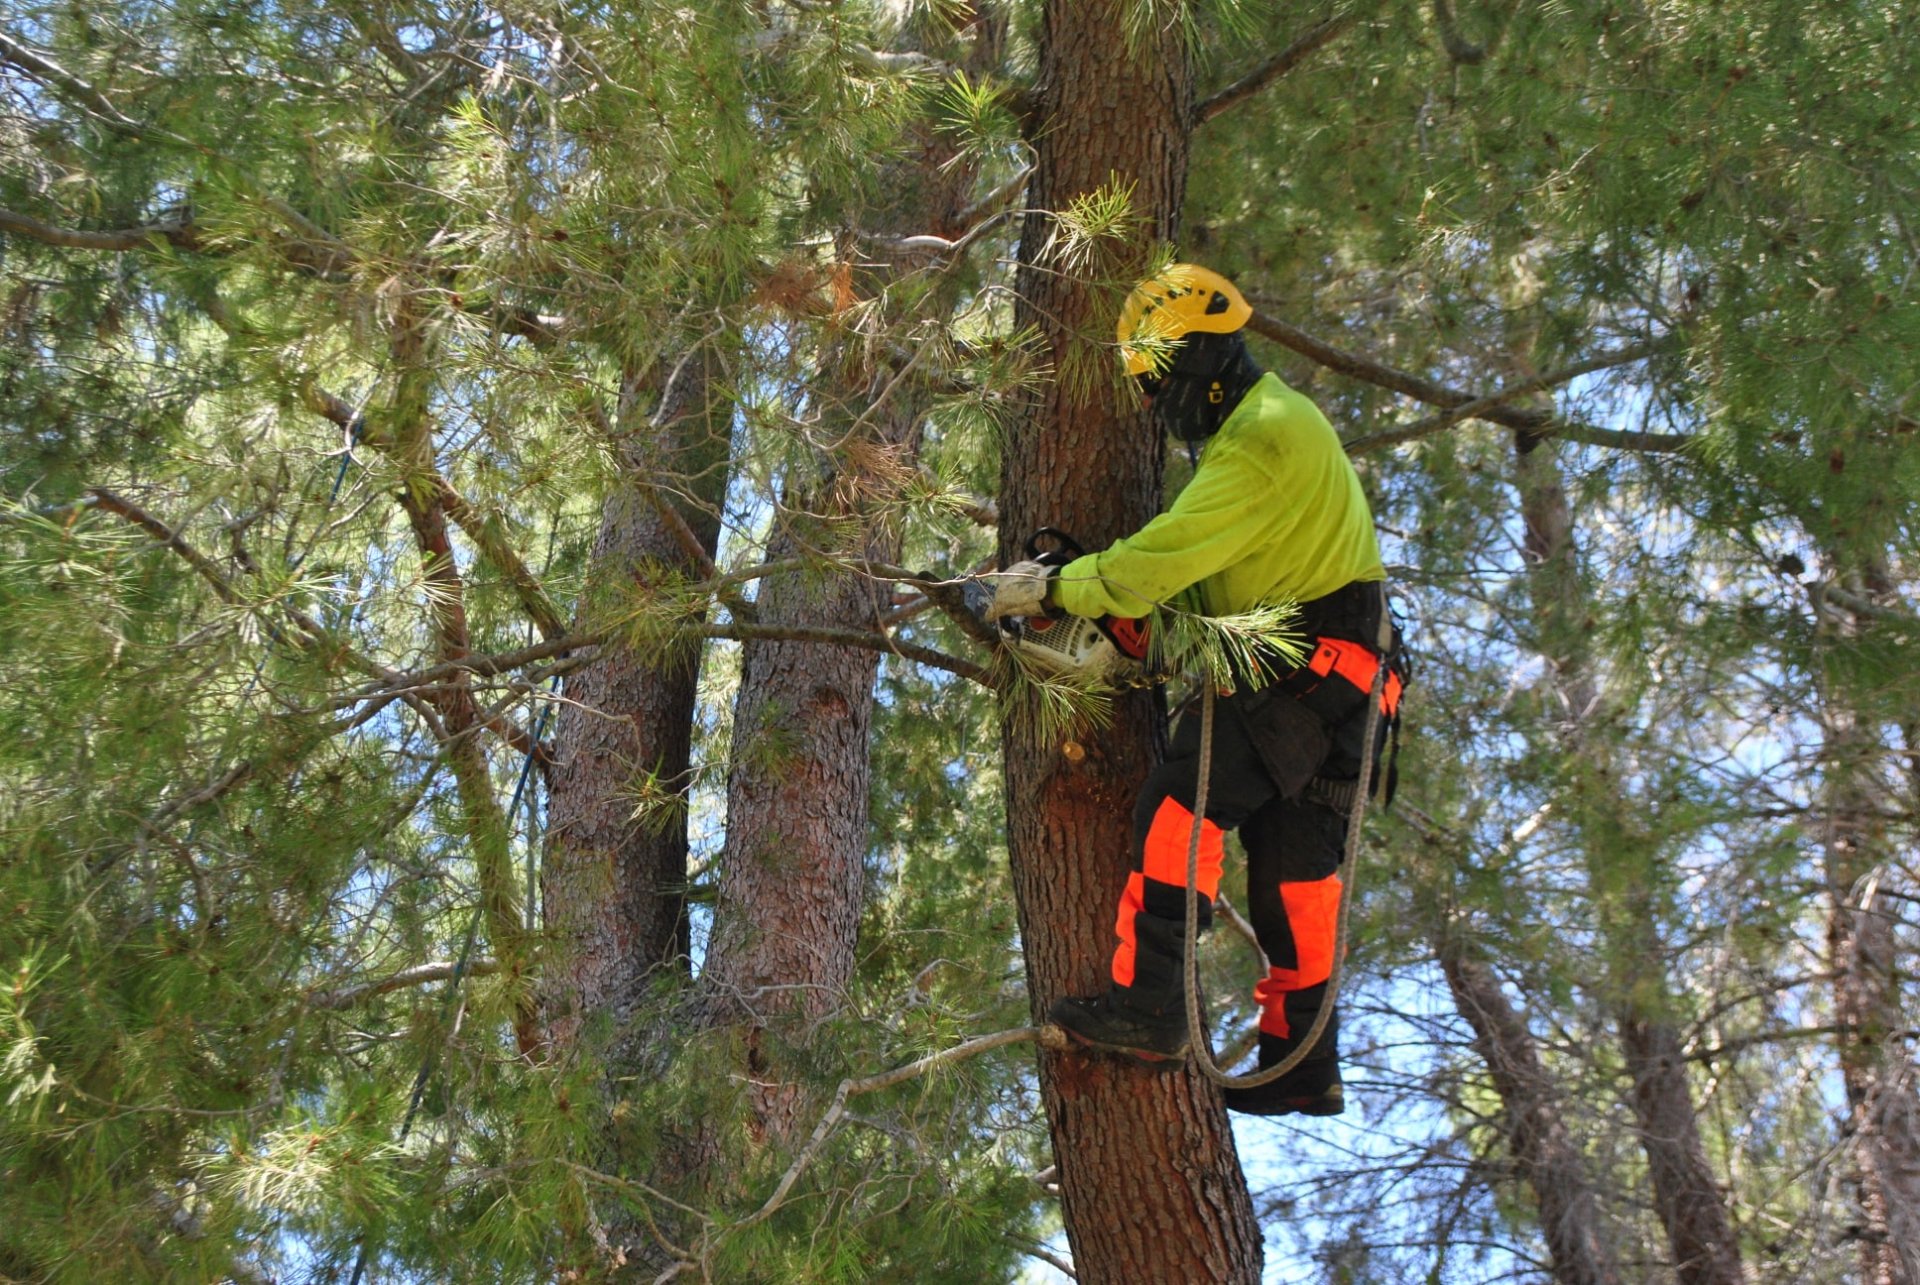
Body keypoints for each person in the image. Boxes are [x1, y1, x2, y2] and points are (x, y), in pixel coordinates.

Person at [982, 264, 1401, 1116]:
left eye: (1156, 382)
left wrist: (1062, 590)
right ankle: (1303, 1063)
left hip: (1301, 670)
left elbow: (1162, 559)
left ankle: (1151, 1008)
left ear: (1201, 358)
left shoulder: (1264, 436)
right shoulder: (1267, 432)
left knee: (1180, 812)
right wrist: (1140, 623)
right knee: (1293, 873)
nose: (1150, 404)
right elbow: (1210, 582)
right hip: (1344, 682)